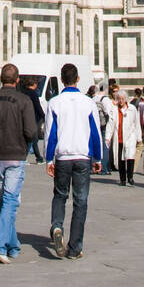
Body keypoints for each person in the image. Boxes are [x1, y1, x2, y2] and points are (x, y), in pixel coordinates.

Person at [0, 63, 37, 263]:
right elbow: (31, 132)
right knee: (11, 201)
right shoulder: (24, 100)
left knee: (5, 202)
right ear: (17, 79)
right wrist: (25, 146)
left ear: (1, 79)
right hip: (15, 157)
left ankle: (13, 245)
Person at [44, 63, 104, 259]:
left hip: (63, 157)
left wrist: (48, 159)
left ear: (61, 80)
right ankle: (75, 247)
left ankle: (57, 226)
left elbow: (50, 134)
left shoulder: (55, 102)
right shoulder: (88, 102)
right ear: (78, 79)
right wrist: (98, 157)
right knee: (81, 201)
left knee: (60, 195)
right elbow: (95, 132)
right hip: (82, 158)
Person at [105, 88, 142, 186]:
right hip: (119, 137)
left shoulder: (132, 108)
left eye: (122, 99)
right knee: (120, 159)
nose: (121, 101)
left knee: (130, 156)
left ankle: (130, 177)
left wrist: (139, 137)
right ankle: (122, 179)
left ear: (126, 99)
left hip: (130, 136)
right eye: (119, 99)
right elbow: (111, 123)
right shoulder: (114, 109)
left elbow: (136, 123)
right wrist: (108, 137)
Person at [22, 78, 45, 163]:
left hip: (23, 117)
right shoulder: (33, 94)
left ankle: (39, 158)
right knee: (33, 139)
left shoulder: (22, 92)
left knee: (32, 140)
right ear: (34, 84)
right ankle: (25, 158)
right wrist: (44, 116)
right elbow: (37, 106)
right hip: (33, 118)